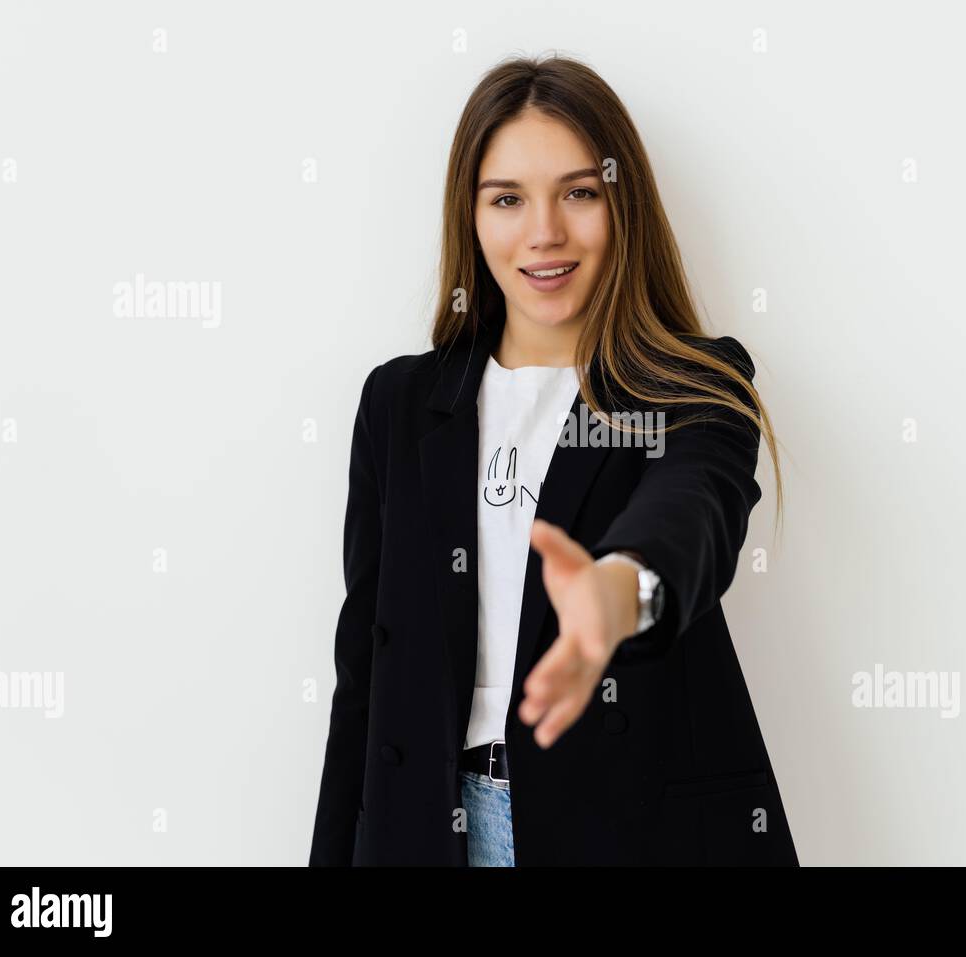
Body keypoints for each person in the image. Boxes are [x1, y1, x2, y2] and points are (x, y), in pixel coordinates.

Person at [309, 52, 797, 866]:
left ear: (621, 203)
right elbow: (363, 674)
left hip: (629, 829)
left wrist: (620, 592)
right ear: (470, 215)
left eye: (579, 192)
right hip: (424, 831)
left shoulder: (691, 387)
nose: (544, 232)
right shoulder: (398, 405)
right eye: (507, 199)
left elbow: (694, 507)